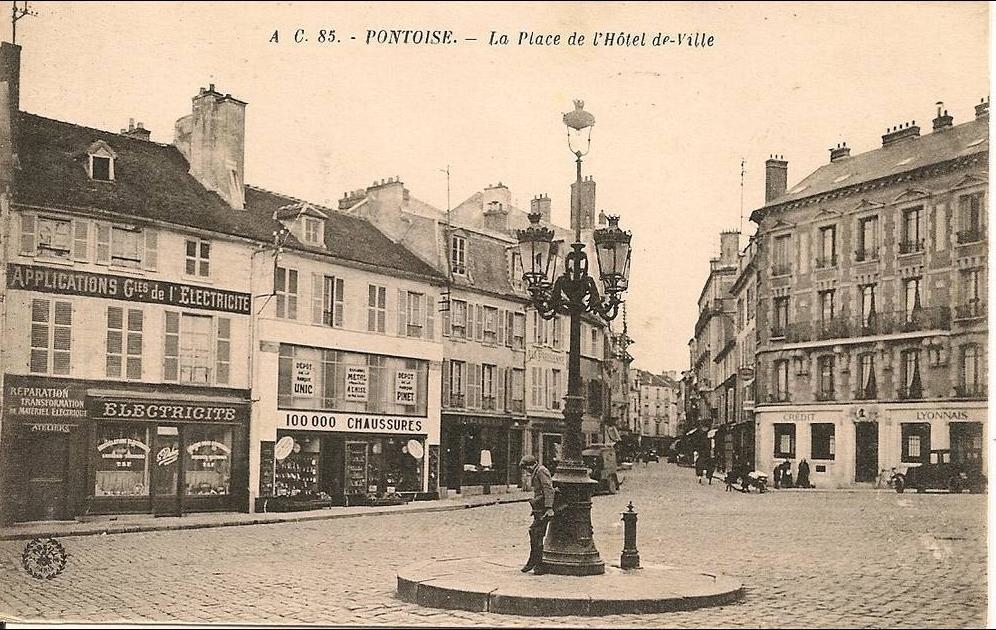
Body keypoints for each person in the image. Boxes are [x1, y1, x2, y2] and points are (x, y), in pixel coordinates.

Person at [519, 455, 555, 574]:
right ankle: (535, 562)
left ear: (532, 465)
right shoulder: (538, 470)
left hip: (544, 508)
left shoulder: (541, 471)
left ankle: (537, 563)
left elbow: (548, 489)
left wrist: (549, 508)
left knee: (535, 533)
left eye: (526, 468)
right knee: (535, 533)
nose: (527, 471)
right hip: (539, 507)